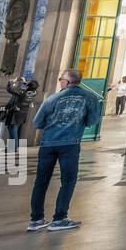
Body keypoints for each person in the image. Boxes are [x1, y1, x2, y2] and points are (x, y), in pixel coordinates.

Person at [27, 70, 103, 232]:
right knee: (68, 181)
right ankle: (59, 218)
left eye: (61, 79)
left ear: (66, 82)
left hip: (47, 144)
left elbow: (37, 123)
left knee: (41, 181)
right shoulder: (90, 97)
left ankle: (36, 219)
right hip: (70, 144)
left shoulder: (52, 98)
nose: (60, 81)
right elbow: (93, 120)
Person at [0, 77, 37, 152]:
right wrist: (23, 82)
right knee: (15, 129)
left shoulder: (22, 93)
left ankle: (12, 148)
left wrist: (11, 81)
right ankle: (14, 147)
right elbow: (24, 89)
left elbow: (10, 89)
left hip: (15, 113)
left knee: (12, 129)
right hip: (23, 114)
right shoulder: (34, 92)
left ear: (28, 87)